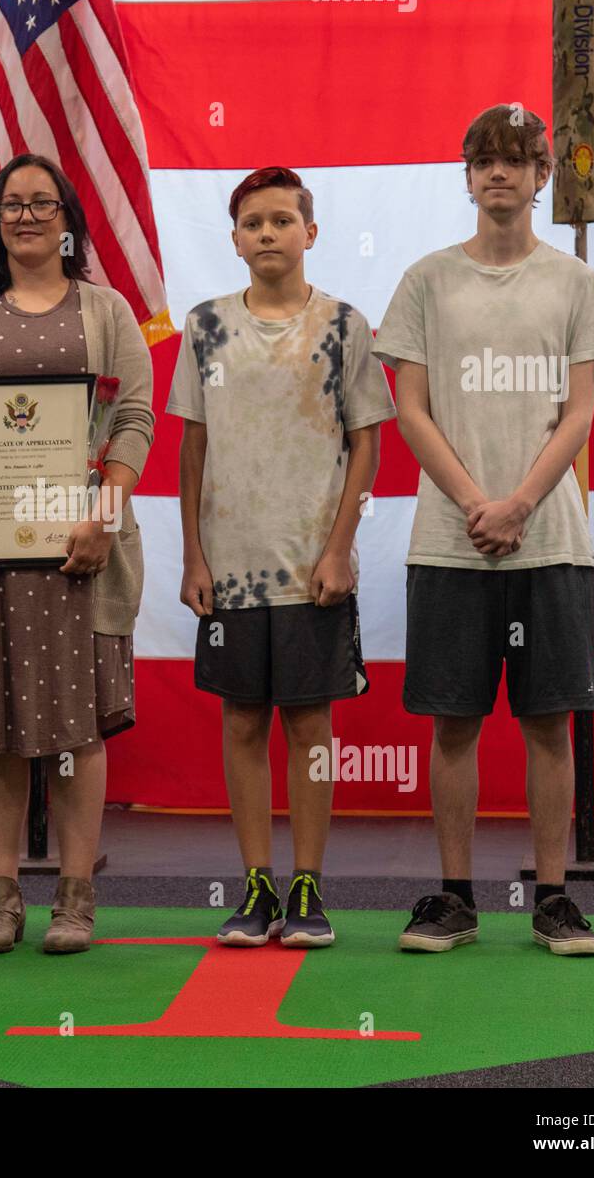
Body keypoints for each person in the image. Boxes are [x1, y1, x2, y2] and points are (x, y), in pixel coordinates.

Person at [374, 104, 594, 956]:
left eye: (516, 160)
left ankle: (553, 898)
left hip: (549, 538)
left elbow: (578, 414)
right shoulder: (424, 281)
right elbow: (409, 409)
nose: (499, 173)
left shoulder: (575, 284)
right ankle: (454, 897)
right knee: (453, 721)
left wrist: (518, 502)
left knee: (550, 720)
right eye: (483, 158)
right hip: (451, 542)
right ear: (466, 172)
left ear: (542, 174)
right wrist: (477, 501)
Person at [0, 153, 154, 954]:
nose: (25, 216)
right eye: (11, 204)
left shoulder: (108, 311)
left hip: (76, 553)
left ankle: (76, 901)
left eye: (42, 203)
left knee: (79, 731)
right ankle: (3, 899)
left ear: (68, 218)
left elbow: (134, 421)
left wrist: (102, 517)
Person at [168, 167, 395, 948]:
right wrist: (193, 555)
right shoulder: (203, 328)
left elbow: (366, 441)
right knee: (241, 722)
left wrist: (342, 546)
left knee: (309, 725)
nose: (267, 233)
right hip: (230, 567)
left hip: (310, 565)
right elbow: (191, 448)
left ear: (311, 232)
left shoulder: (344, 326)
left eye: (281, 220)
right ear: (234, 239)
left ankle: (308, 886)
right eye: (252, 222)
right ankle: (255, 884)